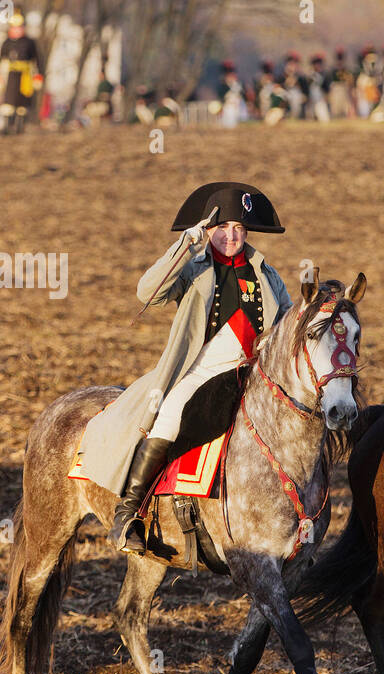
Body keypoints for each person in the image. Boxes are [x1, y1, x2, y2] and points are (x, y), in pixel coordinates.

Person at [78, 183, 293, 554]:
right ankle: (127, 514)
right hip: (198, 370)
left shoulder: (266, 275)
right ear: (208, 231)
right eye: (222, 228)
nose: (231, 236)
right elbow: (147, 292)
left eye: (239, 229)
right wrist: (182, 246)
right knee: (169, 415)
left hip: (251, 375)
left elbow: (288, 323)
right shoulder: (193, 268)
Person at [0, 13, 41, 134]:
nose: (17, 30)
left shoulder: (29, 43)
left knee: (22, 102)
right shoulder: (7, 43)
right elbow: (0, 60)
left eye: (19, 27)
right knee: (8, 101)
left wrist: (38, 76)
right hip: (10, 75)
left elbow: (36, 60)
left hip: (25, 76)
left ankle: (19, 125)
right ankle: (6, 126)